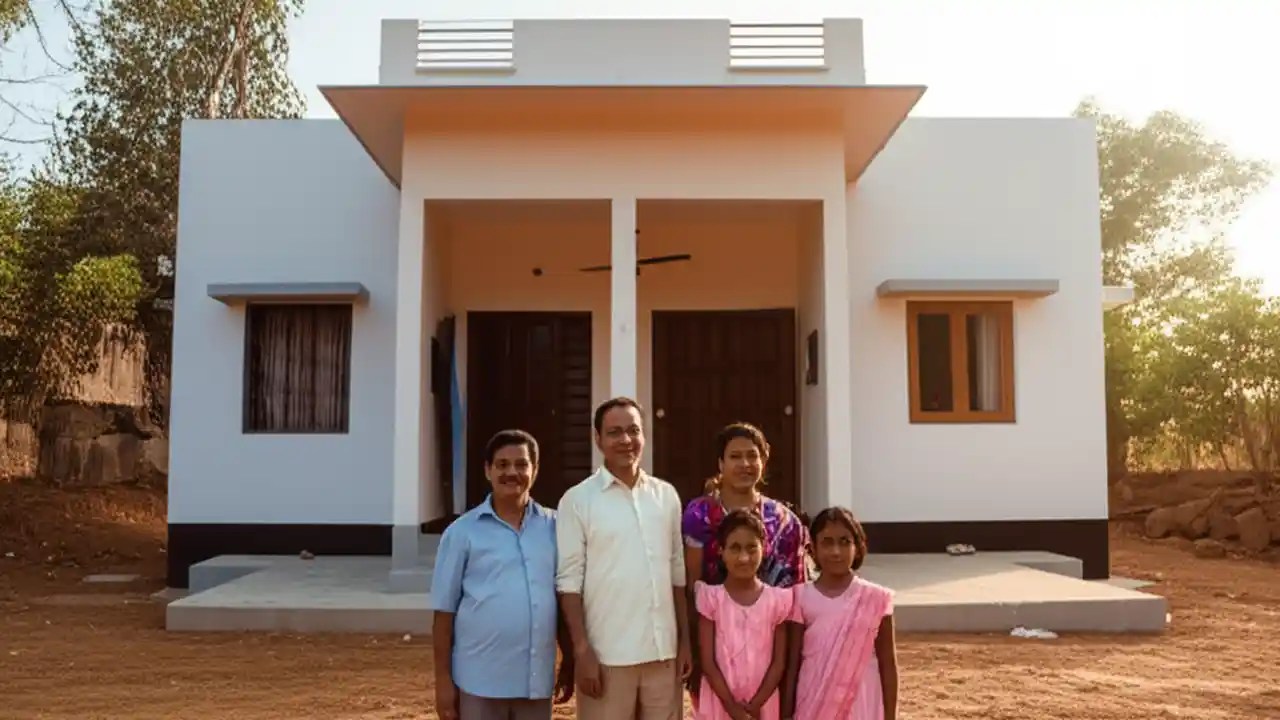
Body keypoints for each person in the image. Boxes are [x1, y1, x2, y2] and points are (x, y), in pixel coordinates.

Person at [556, 397, 692, 720]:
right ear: (598, 439)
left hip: (664, 656)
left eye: (633, 431)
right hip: (607, 658)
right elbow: (569, 582)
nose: (626, 440)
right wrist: (582, 651)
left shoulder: (666, 496)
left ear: (644, 435)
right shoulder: (577, 500)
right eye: (615, 432)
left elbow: (676, 574)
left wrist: (684, 642)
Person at [430, 429, 573, 720]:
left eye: (521, 464)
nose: (512, 472)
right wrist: (443, 683)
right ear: (487, 470)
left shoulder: (556, 527)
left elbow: (562, 599)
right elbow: (444, 615)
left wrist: (569, 658)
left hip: (535, 684)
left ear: (535, 470)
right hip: (479, 683)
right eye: (502, 464)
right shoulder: (461, 533)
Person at [682, 423, 812, 705]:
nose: (744, 464)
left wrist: (790, 660)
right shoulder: (700, 514)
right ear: (720, 463)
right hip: (716, 644)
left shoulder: (786, 522)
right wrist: (693, 647)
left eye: (752, 456)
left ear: (764, 460)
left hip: (769, 648)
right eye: (735, 456)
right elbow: (693, 584)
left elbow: (796, 595)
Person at [785, 507, 899, 720]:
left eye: (845, 542)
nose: (836, 551)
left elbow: (888, 665)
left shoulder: (876, 599)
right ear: (813, 550)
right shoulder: (800, 597)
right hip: (813, 704)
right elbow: (792, 666)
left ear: (858, 547)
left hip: (862, 702)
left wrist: (890, 716)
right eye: (827, 542)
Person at [694, 509, 794, 720]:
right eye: (735, 548)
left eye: (751, 548)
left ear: (764, 549)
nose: (744, 558)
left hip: (762, 706)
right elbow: (708, 662)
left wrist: (755, 705)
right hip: (719, 703)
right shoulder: (710, 599)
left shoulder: (778, 601)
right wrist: (731, 707)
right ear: (721, 550)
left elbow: (778, 663)